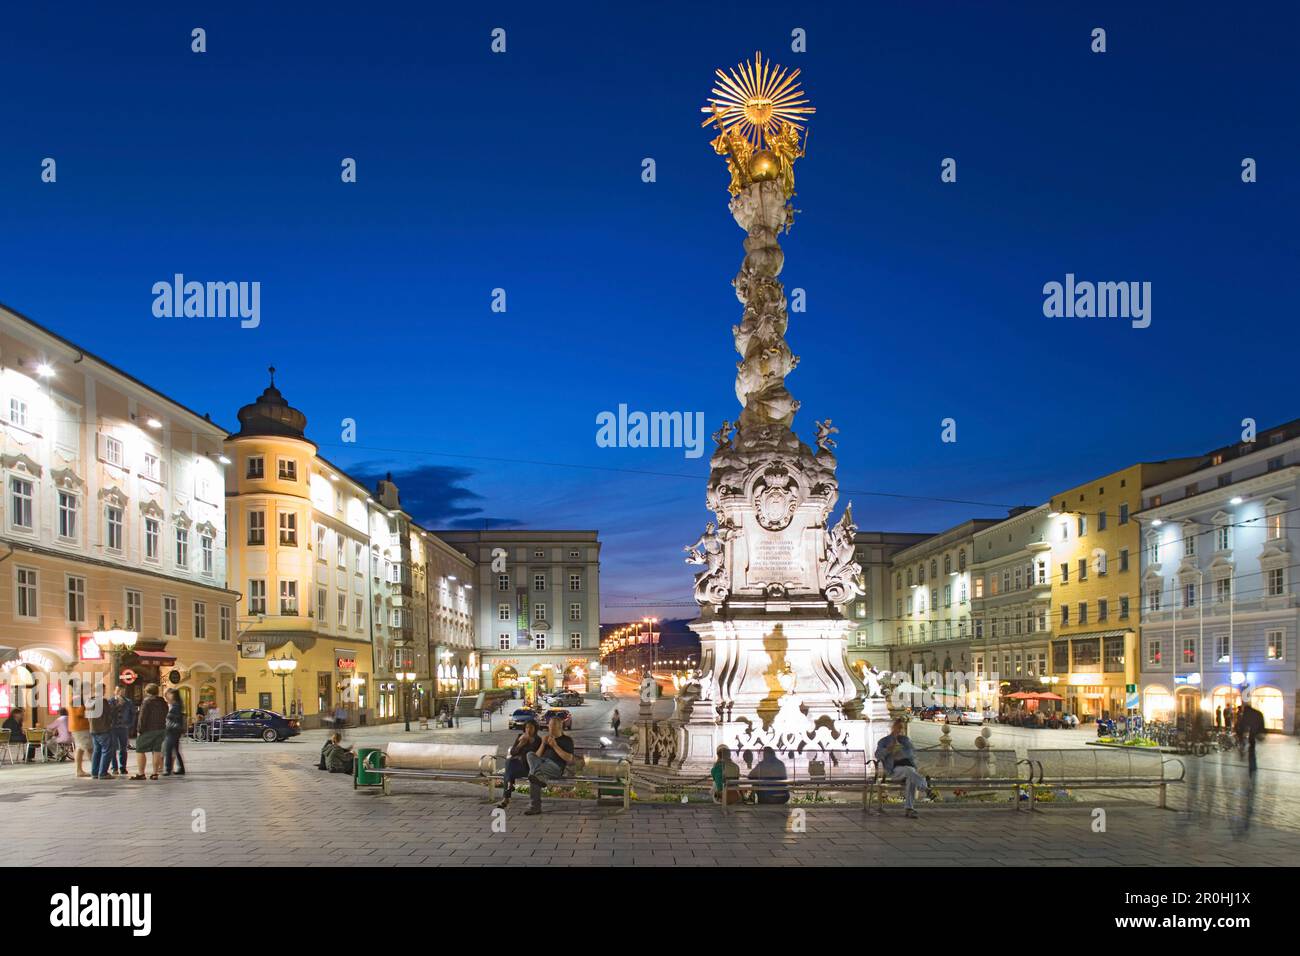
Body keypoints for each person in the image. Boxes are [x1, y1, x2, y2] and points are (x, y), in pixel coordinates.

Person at [874, 718, 930, 818]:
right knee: (909, 772)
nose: (900, 730)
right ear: (892, 727)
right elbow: (878, 755)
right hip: (894, 770)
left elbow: (912, 754)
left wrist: (901, 752)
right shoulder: (884, 741)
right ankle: (924, 785)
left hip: (909, 768)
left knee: (910, 776)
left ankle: (909, 809)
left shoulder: (905, 740)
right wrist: (888, 749)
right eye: (898, 727)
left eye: (902, 728)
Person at [523, 716, 574, 816]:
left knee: (534, 775)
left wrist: (555, 746)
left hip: (555, 767)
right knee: (530, 755)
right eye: (549, 725)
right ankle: (537, 777)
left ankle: (535, 807)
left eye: (553, 725)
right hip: (542, 764)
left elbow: (569, 758)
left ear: (560, 726)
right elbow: (536, 756)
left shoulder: (567, 740)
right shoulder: (547, 739)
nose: (550, 727)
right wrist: (543, 743)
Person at [496, 720, 540, 808]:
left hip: (528, 768)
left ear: (535, 729)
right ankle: (507, 794)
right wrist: (520, 744)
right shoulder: (520, 737)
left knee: (508, 770)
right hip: (516, 766)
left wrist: (521, 753)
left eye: (531, 727)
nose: (528, 730)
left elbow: (532, 754)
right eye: (527, 727)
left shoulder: (538, 740)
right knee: (509, 765)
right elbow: (512, 752)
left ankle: (506, 797)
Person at [133, 684, 167, 780]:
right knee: (156, 750)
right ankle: (155, 773)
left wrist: (139, 730)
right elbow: (166, 713)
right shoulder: (162, 702)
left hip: (148, 730)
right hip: (161, 729)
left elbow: (142, 717)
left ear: (147, 692)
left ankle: (141, 773)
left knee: (139, 750)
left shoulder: (147, 702)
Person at [108, 686, 136, 779]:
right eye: (119, 691)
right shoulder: (110, 701)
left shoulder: (128, 702)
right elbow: (109, 713)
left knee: (123, 748)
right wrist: (117, 705)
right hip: (113, 727)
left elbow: (133, 713)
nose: (121, 693)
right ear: (115, 691)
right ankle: (114, 767)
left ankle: (123, 767)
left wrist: (130, 724)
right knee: (113, 748)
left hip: (123, 727)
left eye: (122, 691)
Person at [87, 686, 115, 779]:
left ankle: (95, 772)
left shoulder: (89, 701)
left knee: (97, 751)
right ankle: (103, 773)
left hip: (93, 729)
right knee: (106, 750)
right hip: (103, 729)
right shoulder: (103, 702)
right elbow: (109, 714)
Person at [1234, 698, 1265, 773]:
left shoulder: (1246, 714)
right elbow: (1261, 722)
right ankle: (1253, 765)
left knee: (1250, 748)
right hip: (1255, 733)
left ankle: (1252, 765)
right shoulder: (1257, 713)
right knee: (1252, 748)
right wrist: (1261, 731)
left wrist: (1239, 733)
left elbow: (1242, 724)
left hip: (1250, 733)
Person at [162, 690, 187, 776]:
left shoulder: (175, 705)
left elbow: (172, 717)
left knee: (168, 749)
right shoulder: (176, 704)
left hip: (172, 730)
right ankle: (181, 768)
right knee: (176, 750)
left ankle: (168, 769)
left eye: (169, 694)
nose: (167, 695)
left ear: (173, 695)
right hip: (175, 729)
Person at [68, 693, 91, 777]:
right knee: (81, 747)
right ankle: (79, 770)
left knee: (88, 748)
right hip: (80, 728)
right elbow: (80, 713)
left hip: (79, 727)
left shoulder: (75, 699)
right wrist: (86, 707)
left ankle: (95, 767)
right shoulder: (77, 699)